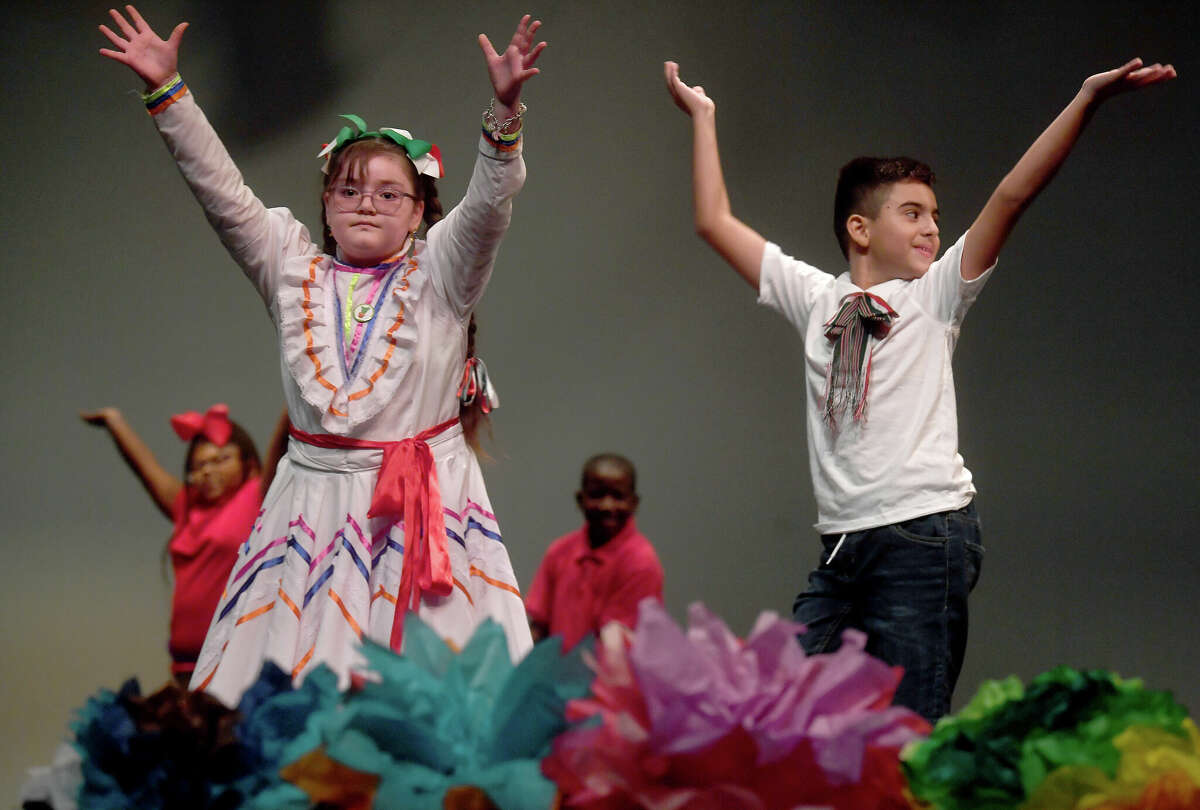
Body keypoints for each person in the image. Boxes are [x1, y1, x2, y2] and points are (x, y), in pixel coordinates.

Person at [664, 57, 1175, 722]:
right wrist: (704, 118)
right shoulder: (816, 298)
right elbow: (714, 221)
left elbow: (1011, 197)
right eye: (912, 212)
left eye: (935, 213)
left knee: (906, 731)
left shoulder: (933, 298)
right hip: (844, 547)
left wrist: (1084, 100)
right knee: (787, 714)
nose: (933, 227)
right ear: (860, 229)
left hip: (920, 537)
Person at [97, 5, 546, 705]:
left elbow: (489, 205)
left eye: (389, 192)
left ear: (421, 209)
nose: (367, 203)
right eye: (349, 189)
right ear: (327, 202)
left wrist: (504, 111)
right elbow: (222, 193)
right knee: (281, 700)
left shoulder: (442, 273)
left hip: (423, 512)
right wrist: (168, 95)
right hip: (309, 509)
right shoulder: (290, 266)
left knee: (439, 710)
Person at [81, 403, 284, 685]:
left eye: (221, 459)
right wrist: (114, 422)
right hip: (185, 669)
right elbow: (145, 468)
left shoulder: (257, 497)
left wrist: (299, 393)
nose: (208, 471)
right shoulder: (186, 507)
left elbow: (284, 440)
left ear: (248, 463)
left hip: (235, 664)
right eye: (199, 465)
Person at [525, 454, 664, 650]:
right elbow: (539, 626)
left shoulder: (641, 561)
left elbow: (617, 648)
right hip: (557, 677)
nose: (607, 506)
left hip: (613, 677)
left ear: (634, 502)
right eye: (597, 495)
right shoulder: (559, 551)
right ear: (580, 499)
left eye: (618, 496)